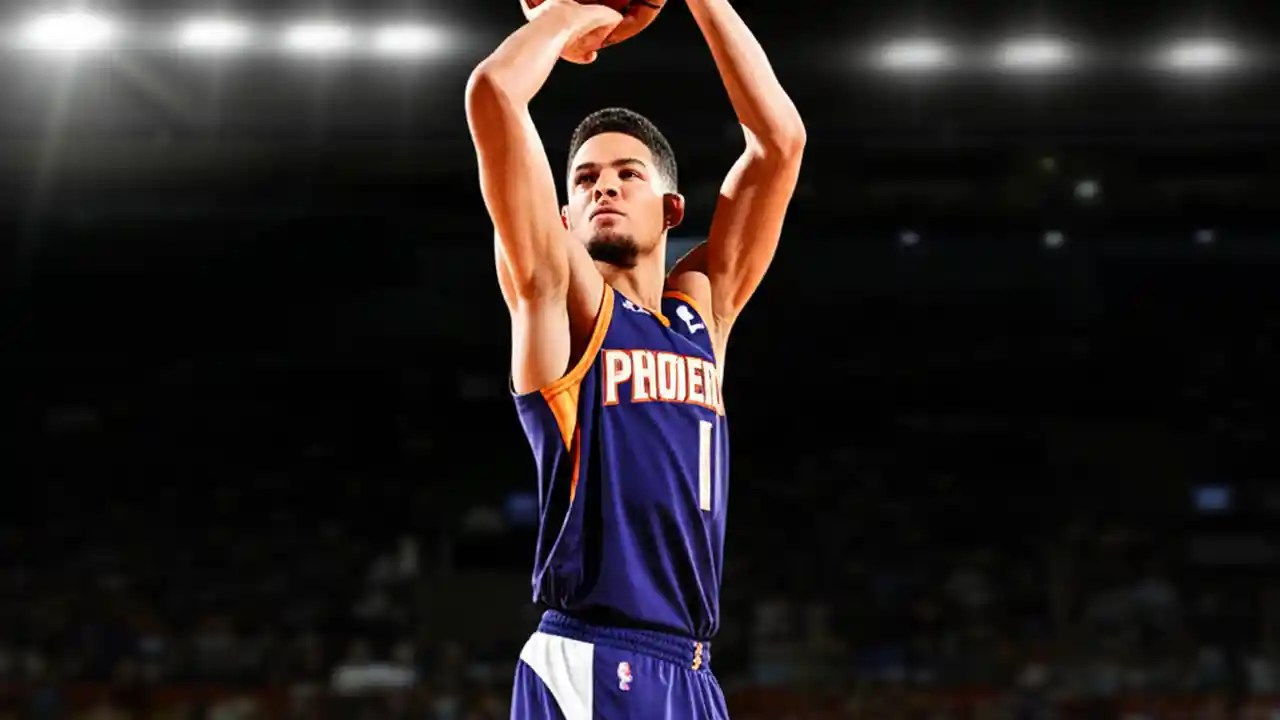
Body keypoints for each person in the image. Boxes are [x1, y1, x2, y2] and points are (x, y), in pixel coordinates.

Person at [464, 0, 804, 716]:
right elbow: (493, 93)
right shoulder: (559, 301)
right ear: (563, 217)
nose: (604, 187)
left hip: (692, 669)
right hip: (595, 654)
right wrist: (569, 17)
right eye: (584, 181)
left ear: (672, 208)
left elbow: (779, 144)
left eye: (627, 174)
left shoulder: (703, 313)